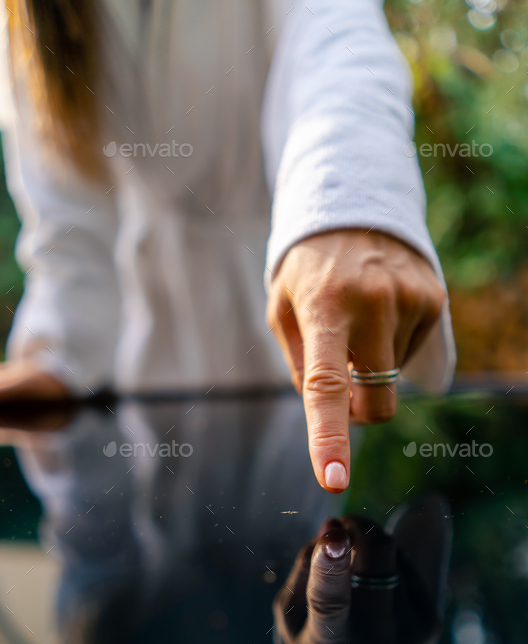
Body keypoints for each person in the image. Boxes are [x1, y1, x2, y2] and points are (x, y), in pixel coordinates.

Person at [0, 0, 455, 493]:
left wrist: (345, 204)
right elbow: (67, 214)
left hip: (298, 346)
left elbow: (334, 32)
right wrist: (59, 357)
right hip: (142, 386)